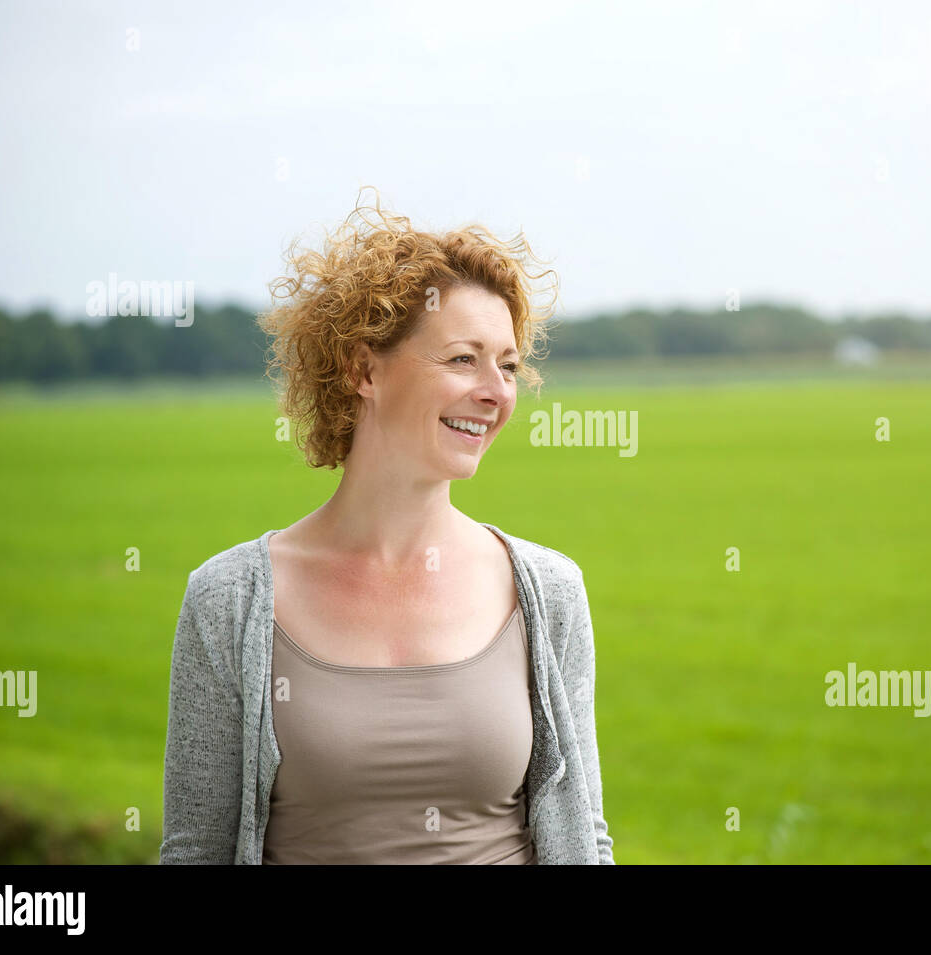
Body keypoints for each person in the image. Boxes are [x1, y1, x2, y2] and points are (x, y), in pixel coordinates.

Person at [158, 188, 614, 864]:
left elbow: (585, 840)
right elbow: (197, 851)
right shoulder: (230, 600)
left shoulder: (547, 593)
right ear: (364, 369)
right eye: (463, 359)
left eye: (510, 366)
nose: (496, 391)